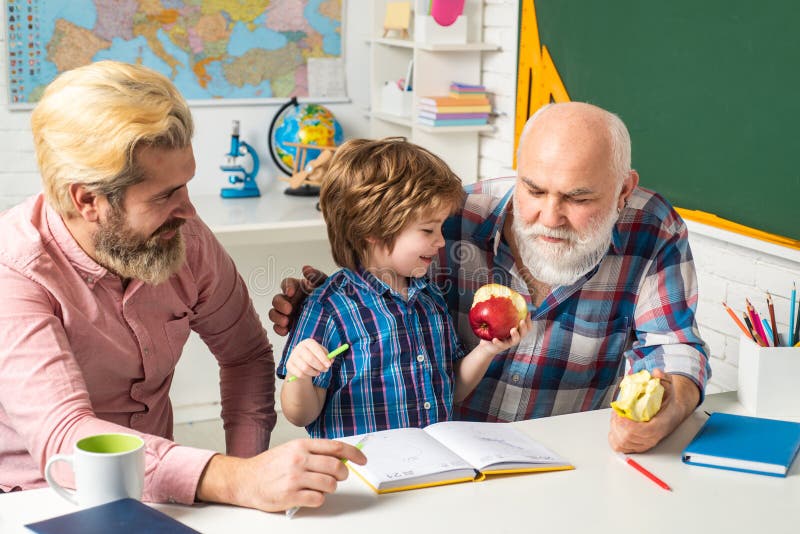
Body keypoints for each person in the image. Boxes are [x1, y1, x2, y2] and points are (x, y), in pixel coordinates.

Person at [0, 61, 365, 511]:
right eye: (163, 195)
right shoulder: (15, 270)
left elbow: (245, 355)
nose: (188, 211)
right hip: (36, 497)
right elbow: (65, 435)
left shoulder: (184, 238)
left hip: (164, 492)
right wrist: (235, 479)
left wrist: (246, 476)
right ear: (87, 200)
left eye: (186, 185)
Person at [269, 102, 711, 454]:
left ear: (623, 191)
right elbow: (379, 275)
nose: (550, 216)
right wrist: (318, 304)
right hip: (423, 462)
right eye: (534, 190)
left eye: (577, 198)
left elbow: (672, 347)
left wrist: (666, 409)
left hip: (560, 460)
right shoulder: (458, 213)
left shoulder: (652, 230)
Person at [279, 138, 530, 439]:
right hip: (363, 474)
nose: (440, 240)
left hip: (433, 466)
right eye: (427, 230)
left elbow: (454, 391)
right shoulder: (328, 309)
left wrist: (487, 350)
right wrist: (299, 374)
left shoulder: (431, 300)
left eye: (440, 228)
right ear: (373, 229)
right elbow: (300, 414)